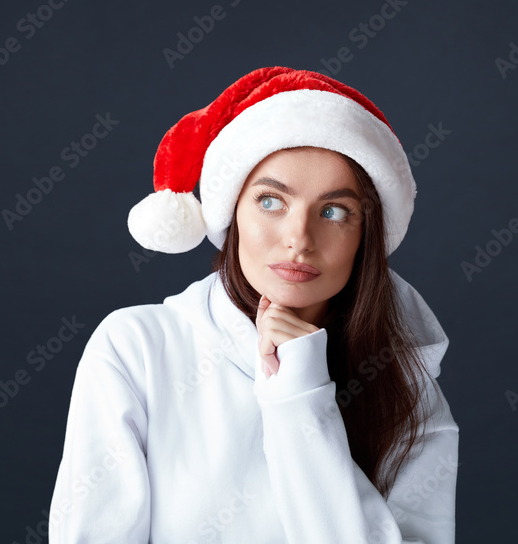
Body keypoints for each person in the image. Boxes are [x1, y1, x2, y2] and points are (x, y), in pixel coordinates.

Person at [48, 67, 459, 543]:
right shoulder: (136, 348)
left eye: (333, 211)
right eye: (270, 201)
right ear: (232, 212)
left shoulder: (408, 390)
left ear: (365, 236)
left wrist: (301, 397)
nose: (298, 240)